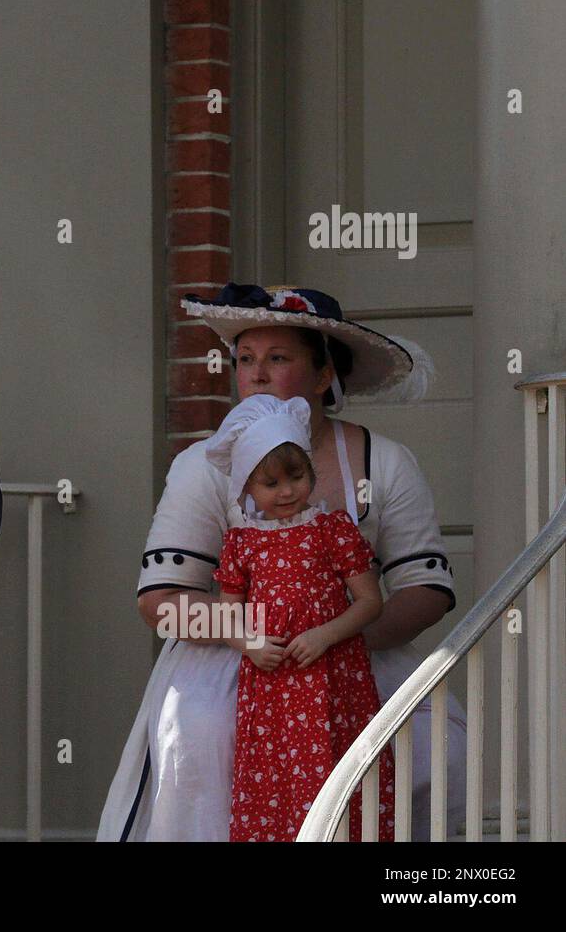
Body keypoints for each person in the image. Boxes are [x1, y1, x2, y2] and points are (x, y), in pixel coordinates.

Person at [98, 283, 466, 842]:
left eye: (278, 358)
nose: (256, 375)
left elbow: (426, 588)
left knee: (438, 742)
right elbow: (161, 603)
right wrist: (256, 640)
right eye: (245, 359)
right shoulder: (202, 466)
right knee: (201, 735)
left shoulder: (385, 461)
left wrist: (338, 645)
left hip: (357, 650)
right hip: (236, 658)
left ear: (323, 377)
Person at [207, 393, 394, 842]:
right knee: (278, 781)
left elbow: (370, 601)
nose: (286, 491)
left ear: (312, 472)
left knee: (341, 773)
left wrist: (325, 636)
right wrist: (249, 644)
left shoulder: (333, 530)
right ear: (248, 488)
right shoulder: (242, 543)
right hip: (272, 687)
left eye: (296, 476)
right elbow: (226, 616)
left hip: (333, 678)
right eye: (270, 483)